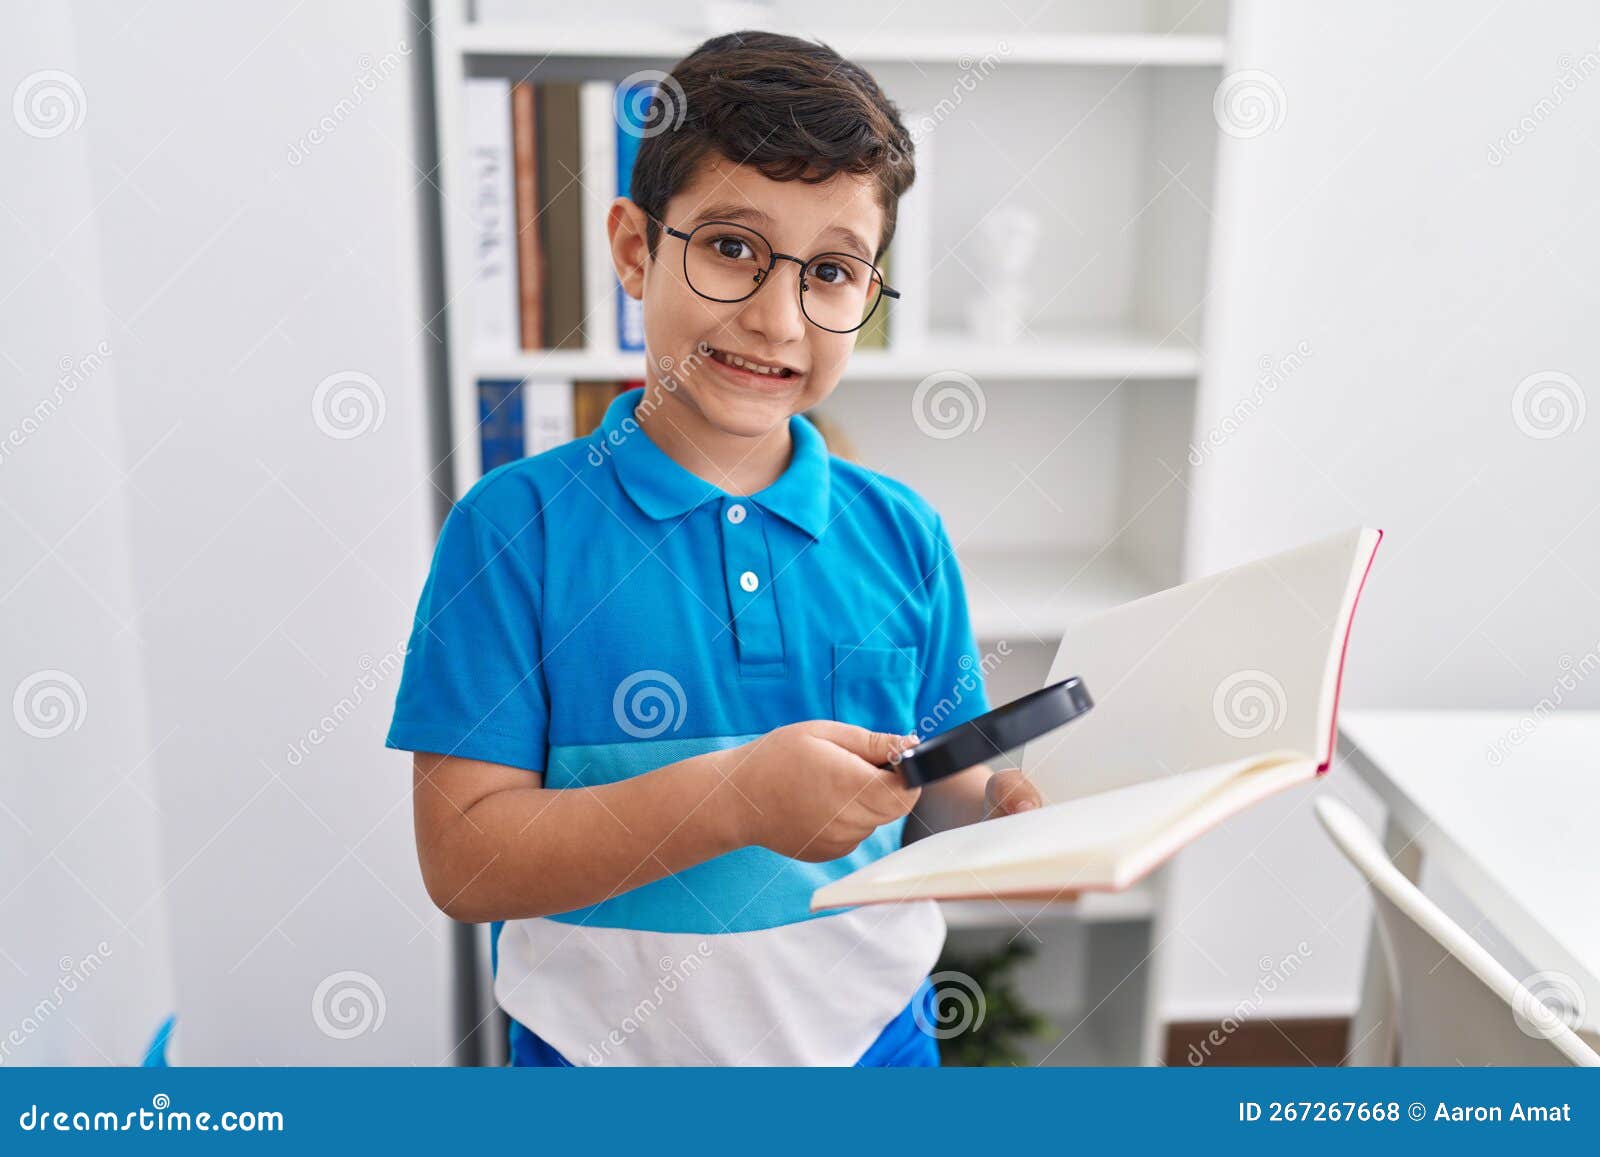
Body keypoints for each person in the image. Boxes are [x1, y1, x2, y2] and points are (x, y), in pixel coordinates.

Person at [386, 29, 1042, 1067]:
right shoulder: (514, 529)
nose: (778, 318)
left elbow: (936, 794)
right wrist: (735, 797)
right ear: (636, 249)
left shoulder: (901, 533)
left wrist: (1009, 810)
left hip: (876, 1050)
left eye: (830, 271)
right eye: (733, 247)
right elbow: (466, 860)